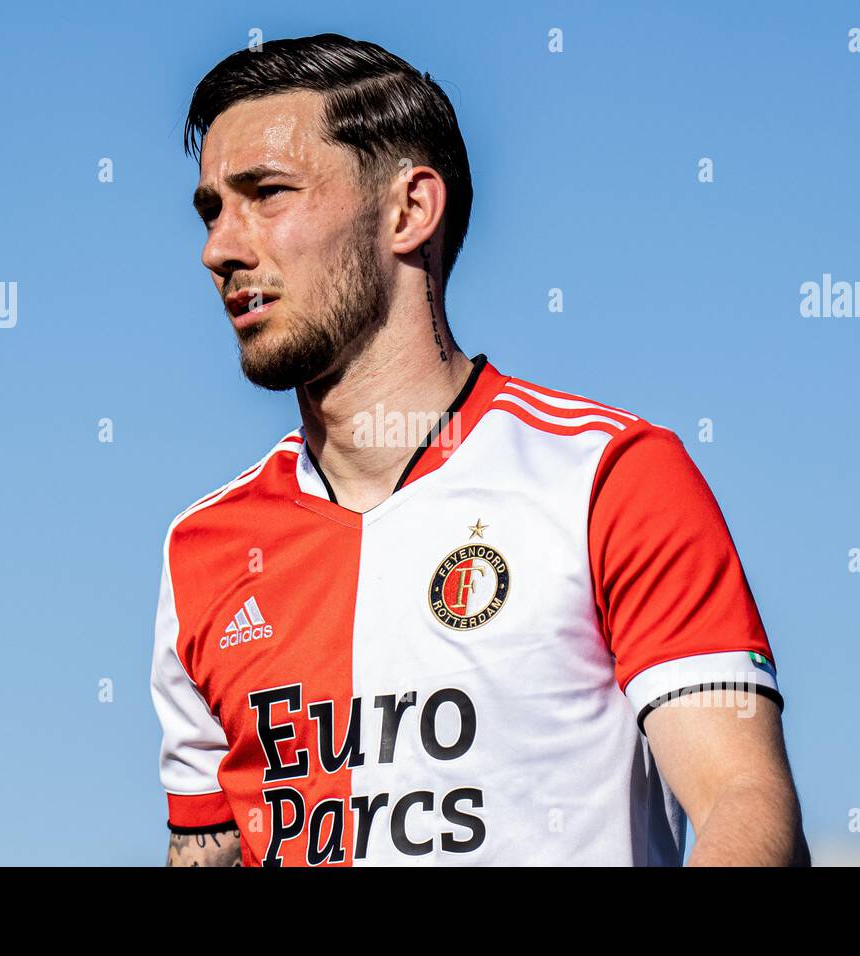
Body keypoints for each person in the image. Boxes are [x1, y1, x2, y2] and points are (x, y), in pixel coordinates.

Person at [152, 33, 809, 867]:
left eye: (267, 194)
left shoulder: (607, 476)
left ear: (409, 210)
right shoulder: (200, 552)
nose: (221, 248)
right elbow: (201, 855)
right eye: (212, 210)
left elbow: (745, 808)